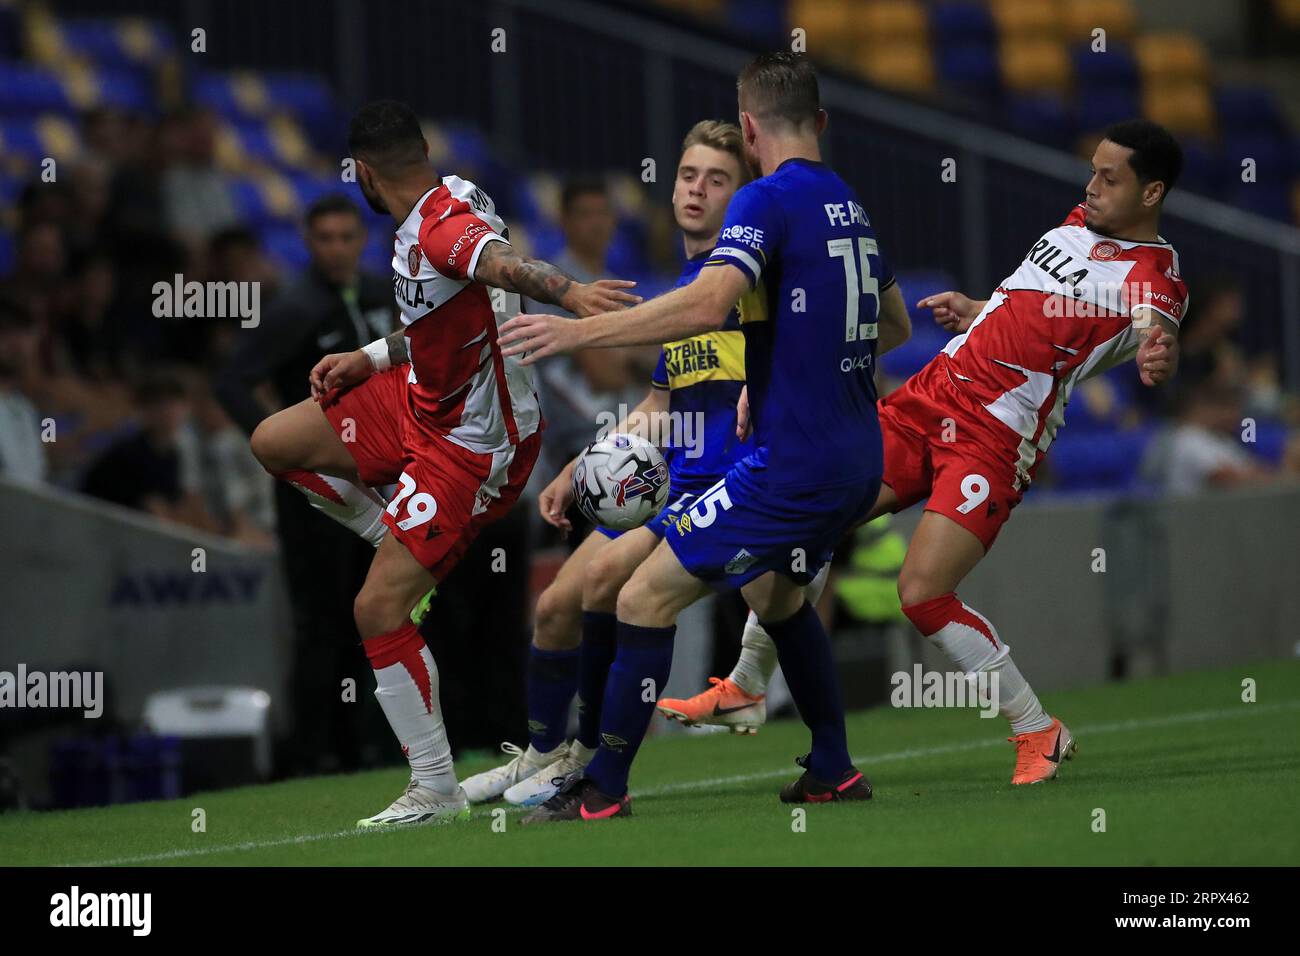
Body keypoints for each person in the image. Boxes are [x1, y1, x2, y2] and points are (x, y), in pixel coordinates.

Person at [663, 118, 1187, 786]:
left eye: (1110, 178)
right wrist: (980, 308)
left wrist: (1160, 352)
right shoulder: (1078, 221)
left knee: (921, 593)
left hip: (994, 438)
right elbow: (1032, 300)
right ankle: (745, 685)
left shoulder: (1155, 275)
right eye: (1092, 169)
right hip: (929, 398)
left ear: (1152, 193)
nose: (1092, 185)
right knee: (806, 516)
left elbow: (1156, 330)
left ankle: (1038, 729)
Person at [500, 52, 912, 821]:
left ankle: (601, 791)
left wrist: (571, 331)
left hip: (791, 465)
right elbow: (895, 324)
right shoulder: (848, 202)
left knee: (642, 598)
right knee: (780, 599)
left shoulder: (762, 200)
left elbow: (703, 306)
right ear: (819, 122)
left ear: (749, 129)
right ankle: (833, 766)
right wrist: (788, 370)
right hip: (860, 457)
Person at [246, 100, 640, 827]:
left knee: (374, 609)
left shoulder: (438, 226)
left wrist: (572, 292)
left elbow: (494, 263)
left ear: (362, 174)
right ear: (421, 151)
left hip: (470, 446)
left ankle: (434, 788)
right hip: (421, 398)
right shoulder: (456, 193)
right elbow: (449, 310)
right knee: (274, 440)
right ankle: (385, 535)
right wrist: (364, 357)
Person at [460, 120, 837, 809]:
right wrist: (584, 462)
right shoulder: (686, 285)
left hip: (741, 481)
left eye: (717, 179)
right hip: (679, 481)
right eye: (689, 175)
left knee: (649, 591)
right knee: (554, 607)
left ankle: (594, 764)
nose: (697, 189)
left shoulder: (744, 285)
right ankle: (548, 755)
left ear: (744, 196)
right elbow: (660, 404)